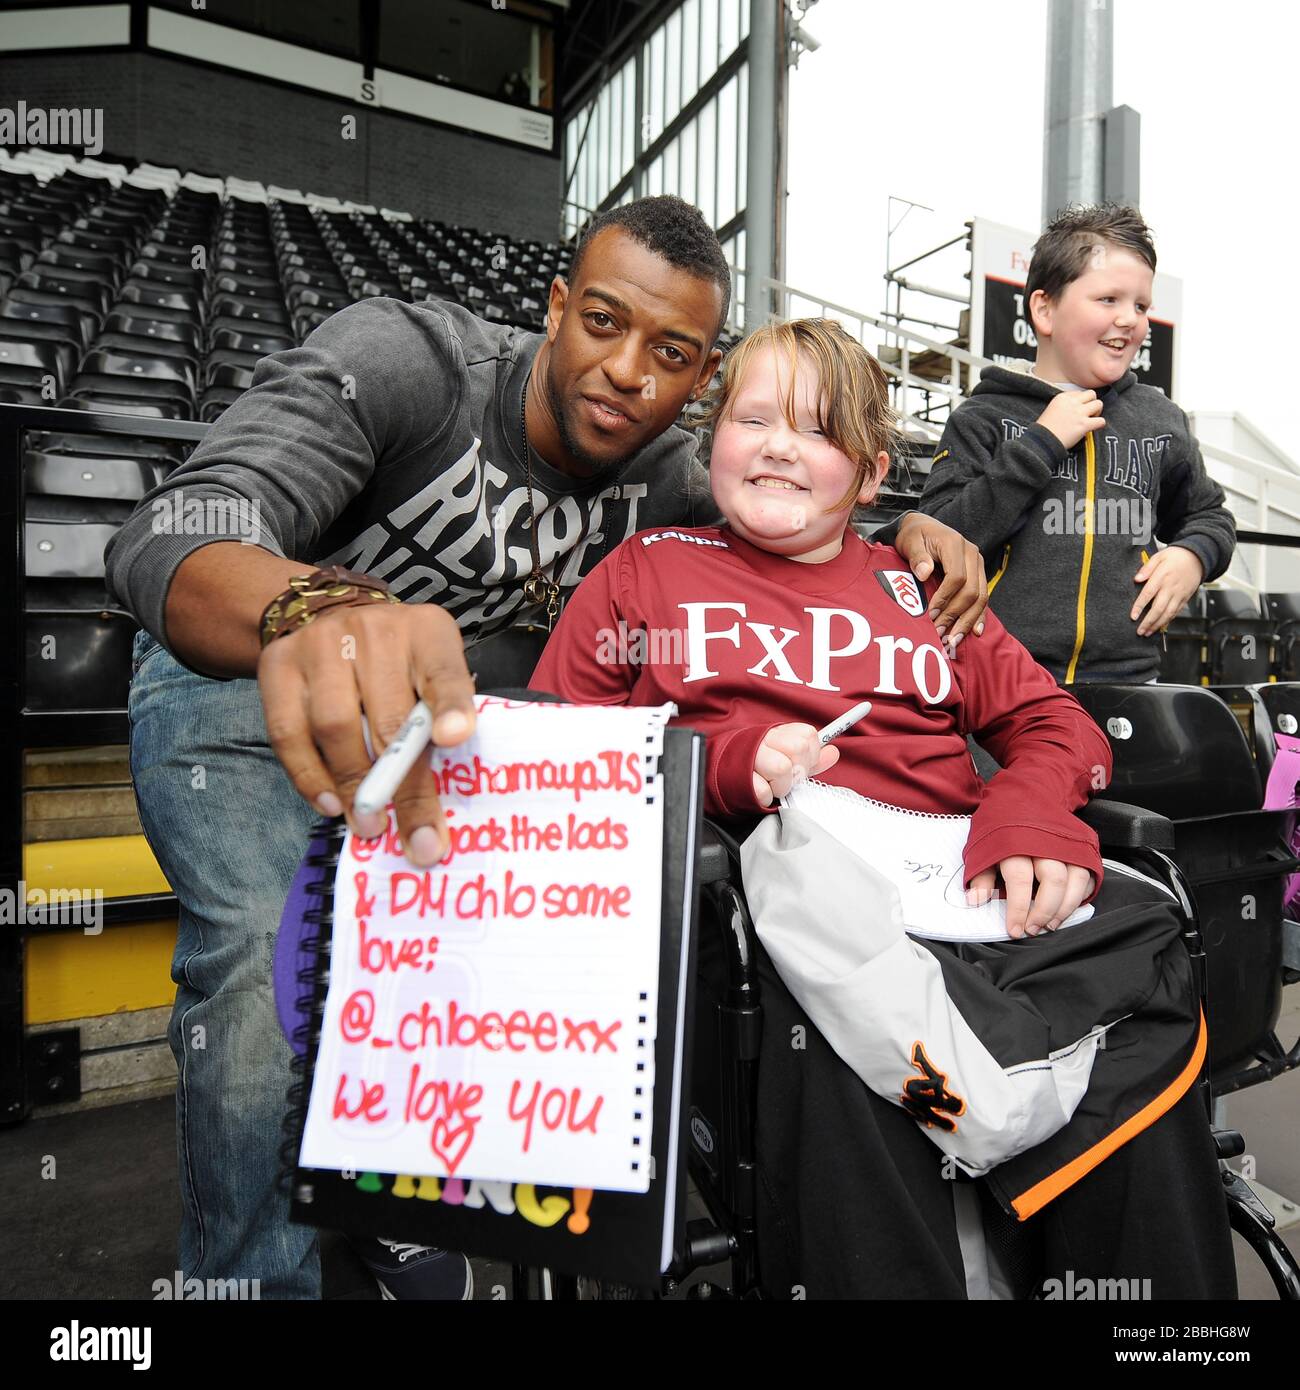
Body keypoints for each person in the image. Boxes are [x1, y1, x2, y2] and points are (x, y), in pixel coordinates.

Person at [104, 195, 988, 1300]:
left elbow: (804, 513)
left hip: (457, 723)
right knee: (261, 975)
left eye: (668, 354)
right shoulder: (408, 361)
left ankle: (387, 1180)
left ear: (698, 376)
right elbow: (169, 528)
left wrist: (905, 528)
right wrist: (313, 608)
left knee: (491, 958)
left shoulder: (673, 475)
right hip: (247, 677)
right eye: (604, 322)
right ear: (558, 305)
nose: (626, 371)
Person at [530, 318, 1236, 1299]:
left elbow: (1052, 722)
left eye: (815, 432)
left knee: (1149, 925)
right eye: (753, 418)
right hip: (774, 914)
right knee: (810, 995)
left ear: (867, 476)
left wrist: (1027, 814)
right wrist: (722, 759)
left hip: (959, 889)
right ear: (712, 440)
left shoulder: (921, 584)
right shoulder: (647, 571)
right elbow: (553, 756)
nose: (778, 444)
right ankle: (970, 1140)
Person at [918, 203, 1235, 684]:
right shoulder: (983, 416)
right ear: (1044, 309)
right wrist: (1040, 444)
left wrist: (1194, 556)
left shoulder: (1159, 419)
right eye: (1108, 299)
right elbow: (939, 540)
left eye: (1142, 305)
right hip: (1001, 684)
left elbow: (1210, 515)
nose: (1130, 319)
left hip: (1131, 682)